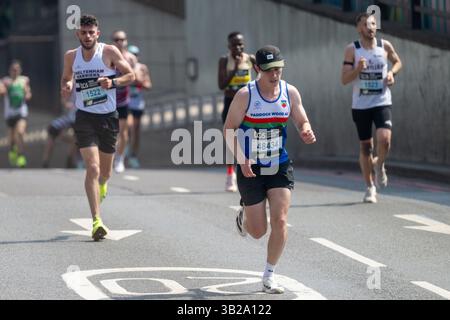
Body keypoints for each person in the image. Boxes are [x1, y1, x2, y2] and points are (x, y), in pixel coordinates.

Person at [223, 45, 316, 294]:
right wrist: (241, 159)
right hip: (250, 166)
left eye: (278, 69)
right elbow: (229, 129)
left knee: (281, 219)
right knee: (257, 231)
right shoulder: (246, 95)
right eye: (269, 71)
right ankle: (245, 215)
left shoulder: (289, 92)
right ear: (257, 70)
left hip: (278, 164)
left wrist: (305, 128)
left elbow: (300, 118)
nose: (274, 75)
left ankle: (269, 275)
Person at [60, 15, 135, 241]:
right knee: (91, 168)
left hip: (108, 118)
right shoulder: (71, 56)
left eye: (91, 32)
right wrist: (68, 85)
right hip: (84, 118)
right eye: (83, 32)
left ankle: (103, 183)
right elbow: (65, 79)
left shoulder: (109, 52)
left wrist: (113, 82)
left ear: (97, 33)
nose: (87, 36)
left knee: (105, 172)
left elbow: (131, 75)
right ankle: (96, 221)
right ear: (78, 34)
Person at [341, 12, 402, 203]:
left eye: (373, 24)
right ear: (359, 28)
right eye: (366, 24)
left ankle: (380, 164)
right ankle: (369, 187)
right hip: (361, 105)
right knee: (366, 147)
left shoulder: (385, 46)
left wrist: (392, 73)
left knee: (385, 140)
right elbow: (344, 79)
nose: (371, 27)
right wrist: (357, 70)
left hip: (382, 101)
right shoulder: (353, 49)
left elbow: (398, 61)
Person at [218, 31, 257, 192]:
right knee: (230, 140)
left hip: (248, 105)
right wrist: (234, 69)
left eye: (241, 44)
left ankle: (253, 172)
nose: (238, 47)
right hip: (230, 103)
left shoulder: (250, 59)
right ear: (229, 46)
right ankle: (230, 175)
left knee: (249, 138)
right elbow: (221, 85)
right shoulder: (224, 60)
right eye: (234, 45)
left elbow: (263, 75)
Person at [111, 30, 138, 173]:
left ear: (126, 41)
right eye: (116, 39)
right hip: (109, 100)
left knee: (124, 132)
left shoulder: (131, 58)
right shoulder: (108, 56)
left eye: (122, 39)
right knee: (109, 132)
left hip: (123, 100)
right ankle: (109, 157)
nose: (120, 42)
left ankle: (119, 159)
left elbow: (135, 77)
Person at [0, 60, 32, 168]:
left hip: (21, 112)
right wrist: (5, 88)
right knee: (12, 139)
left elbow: (28, 93)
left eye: (17, 69)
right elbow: (2, 90)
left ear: (20, 70)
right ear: (9, 71)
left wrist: (27, 93)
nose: (15, 71)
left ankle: (21, 156)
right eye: (13, 70)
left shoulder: (24, 80)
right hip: (10, 114)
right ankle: (12, 150)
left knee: (20, 132)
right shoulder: (5, 81)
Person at [126, 44, 152, 169]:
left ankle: (133, 156)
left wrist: (138, 82)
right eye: (131, 55)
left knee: (136, 131)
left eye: (136, 55)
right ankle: (124, 147)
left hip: (138, 102)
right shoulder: (122, 66)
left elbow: (148, 85)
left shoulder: (142, 68)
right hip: (126, 102)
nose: (133, 57)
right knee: (129, 127)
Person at [42, 97, 79, 169]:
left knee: (76, 138)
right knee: (51, 129)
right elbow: (63, 96)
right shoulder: (71, 87)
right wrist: (65, 103)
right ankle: (45, 162)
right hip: (69, 117)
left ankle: (70, 160)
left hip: (79, 119)